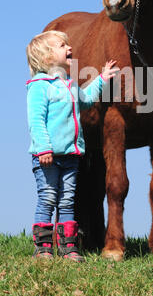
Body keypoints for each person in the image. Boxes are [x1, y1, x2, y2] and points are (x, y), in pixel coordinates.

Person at [26, 30, 119, 262]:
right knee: (48, 197)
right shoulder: (39, 87)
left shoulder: (69, 85)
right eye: (62, 45)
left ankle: (69, 247)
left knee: (68, 200)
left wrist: (103, 78)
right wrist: (44, 149)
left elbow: (86, 100)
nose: (69, 48)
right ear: (47, 57)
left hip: (71, 155)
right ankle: (43, 247)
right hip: (47, 156)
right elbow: (36, 120)